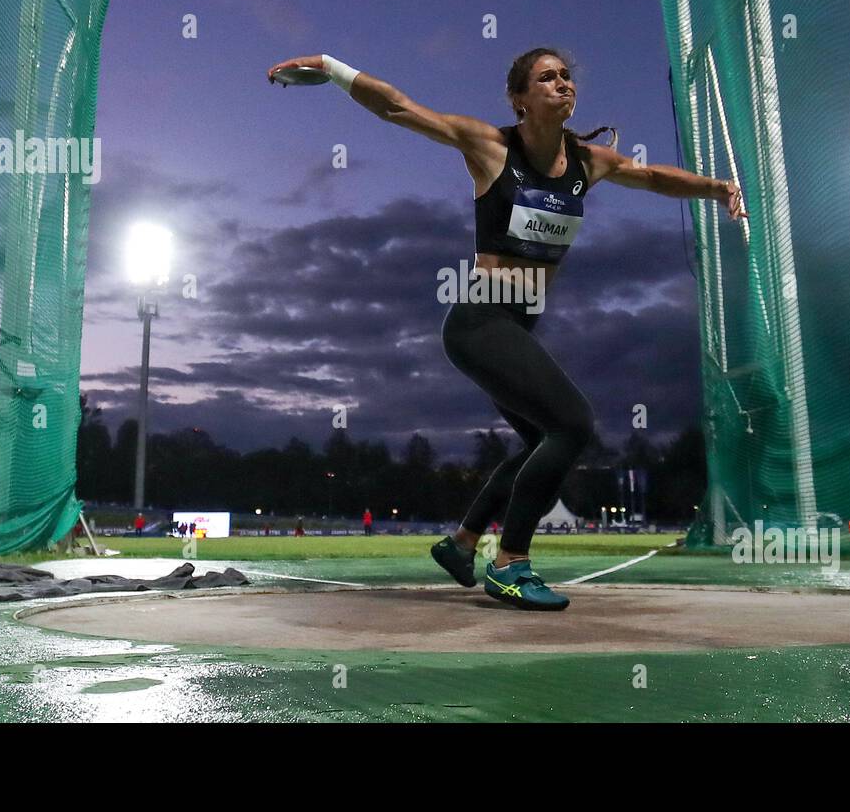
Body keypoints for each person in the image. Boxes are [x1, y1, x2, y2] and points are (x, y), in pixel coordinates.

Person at [267, 48, 745, 610]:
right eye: (547, 77)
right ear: (521, 99)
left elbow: (651, 177)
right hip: (479, 321)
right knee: (572, 425)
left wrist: (716, 189)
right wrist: (330, 67)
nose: (562, 82)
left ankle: (462, 542)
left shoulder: (588, 162)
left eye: (567, 74)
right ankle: (511, 563)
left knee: (546, 438)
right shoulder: (490, 146)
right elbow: (398, 108)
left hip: (516, 327)